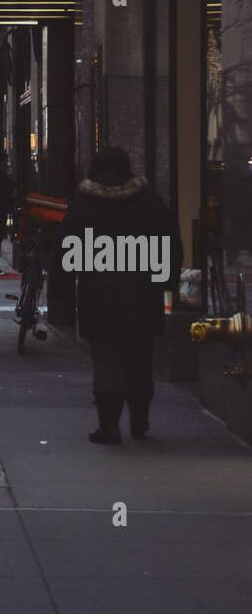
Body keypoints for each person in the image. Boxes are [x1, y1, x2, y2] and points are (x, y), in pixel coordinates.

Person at [52, 146, 181, 444]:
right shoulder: (149, 201)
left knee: (106, 358)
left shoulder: (84, 204)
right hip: (143, 293)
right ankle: (140, 420)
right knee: (139, 356)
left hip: (99, 295)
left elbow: (65, 250)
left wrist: (61, 290)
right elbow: (170, 243)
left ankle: (108, 425)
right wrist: (169, 281)